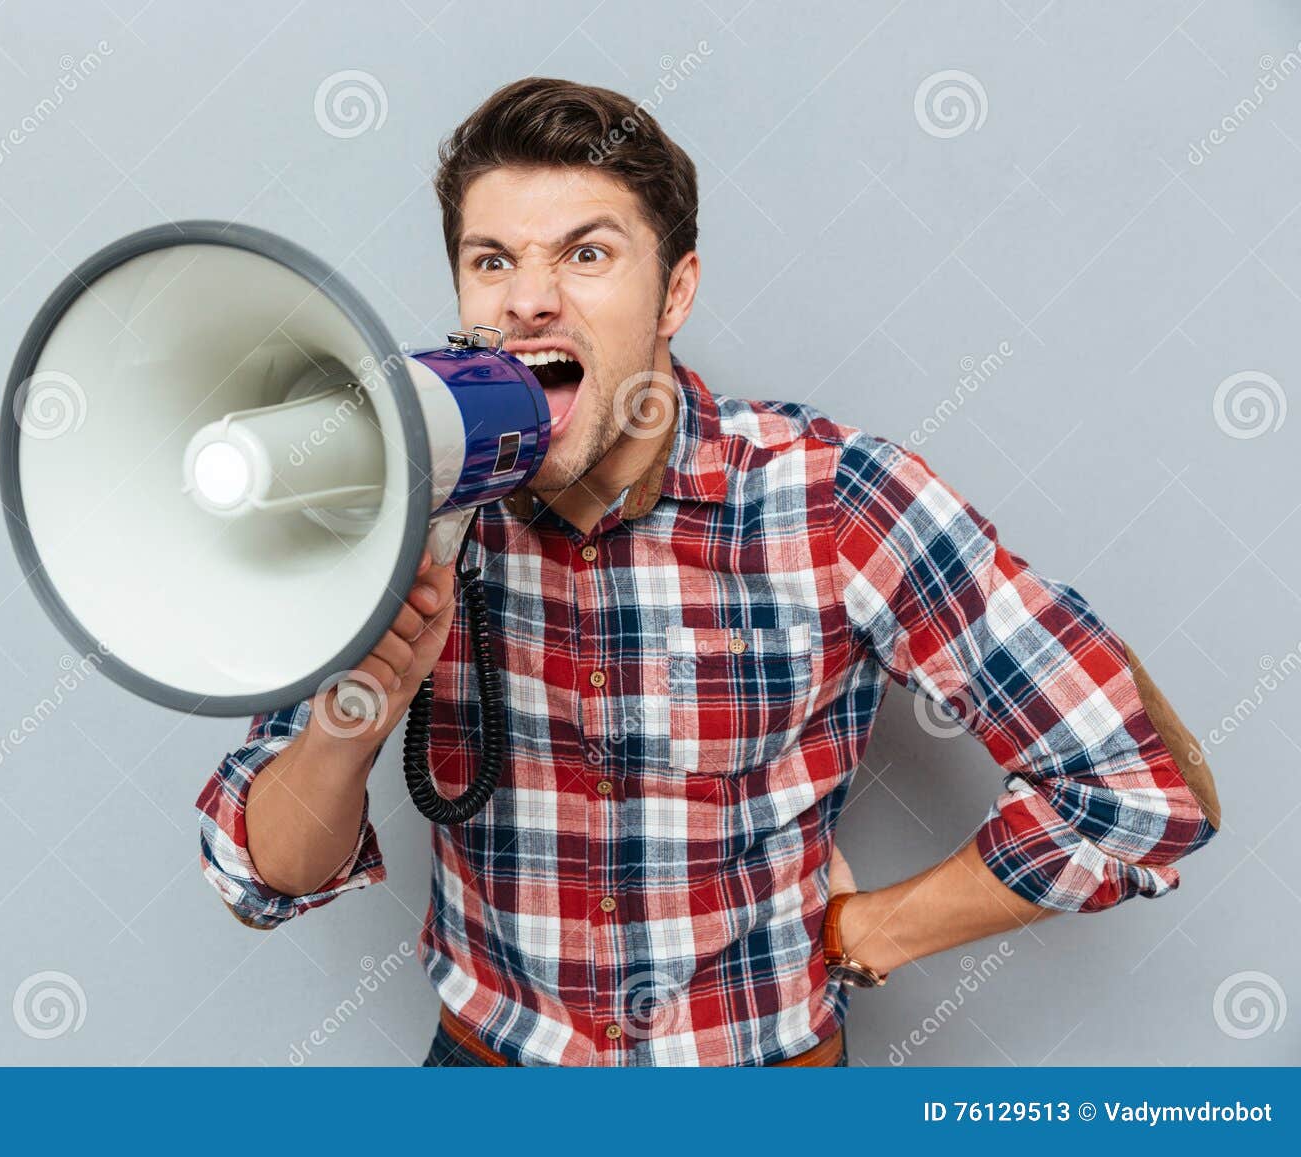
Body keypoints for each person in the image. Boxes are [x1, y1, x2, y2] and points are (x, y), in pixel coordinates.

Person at [196, 77, 1221, 1067]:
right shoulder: (400, 499)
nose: (530, 300)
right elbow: (258, 873)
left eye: (587, 253)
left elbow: (1141, 787)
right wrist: (357, 715)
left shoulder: (832, 499)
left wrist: (877, 929)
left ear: (674, 291)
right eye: (492, 260)